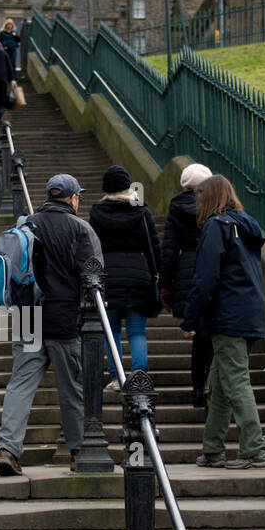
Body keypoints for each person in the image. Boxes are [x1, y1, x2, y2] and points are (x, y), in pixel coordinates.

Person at [0, 174, 104, 476]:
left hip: (28, 315)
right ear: (72, 199)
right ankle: (77, 451)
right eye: (78, 197)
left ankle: (8, 449)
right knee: (72, 389)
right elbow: (94, 276)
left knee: (20, 384)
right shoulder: (80, 229)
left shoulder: (26, 225)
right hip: (65, 317)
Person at [181, 175, 265, 469]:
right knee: (219, 384)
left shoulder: (215, 227)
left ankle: (254, 449)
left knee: (235, 381)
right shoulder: (245, 226)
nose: (196, 202)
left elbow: (205, 278)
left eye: (198, 196)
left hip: (228, 317)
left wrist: (191, 318)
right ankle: (212, 449)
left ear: (208, 197)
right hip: (250, 312)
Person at [88, 165, 161, 389]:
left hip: (108, 276)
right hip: (138, 275)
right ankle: (140, 374)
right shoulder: (142, 211)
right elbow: (154, 247)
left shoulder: (97, 213)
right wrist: (157, 272)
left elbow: (90, 247)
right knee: (137, 331)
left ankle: (117, 377)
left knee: (111, 332)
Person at [160, 163, 214, 407]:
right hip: (212, 266)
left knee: (199, 336)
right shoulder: (215, 207)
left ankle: (198, 388)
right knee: (214, 333)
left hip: (186, 269)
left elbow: (169, 250)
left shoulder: (176, 207)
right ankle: (212, 384)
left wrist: (166, 284)